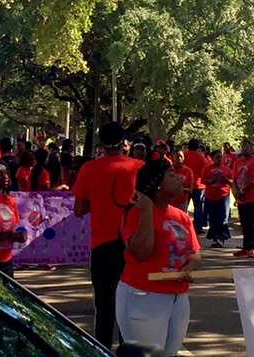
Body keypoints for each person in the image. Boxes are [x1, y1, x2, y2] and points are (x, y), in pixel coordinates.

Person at [117, 154, 200, 357]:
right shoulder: (136, 213)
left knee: (170, 354)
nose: (181, 178)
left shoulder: (181, 216)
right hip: (144, 296)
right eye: (172, 175)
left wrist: (189, 267)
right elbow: (142, 252)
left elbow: (195, 253)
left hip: (178, 298)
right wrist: (146, 210)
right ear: (157, 185)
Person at [73, 122, 144, 349]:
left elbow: (79, 209)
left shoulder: (89, 169)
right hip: (133, 244)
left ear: (100, 143)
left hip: (102, 244)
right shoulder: (140, 167)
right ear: (124, 142)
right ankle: (128, 350)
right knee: (131, 305)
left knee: (104, 306)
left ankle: (102, 350)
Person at [233, 143, 254, 258]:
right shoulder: (238, 162)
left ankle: (251, 247)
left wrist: (244, 190)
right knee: (244, 224)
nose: (246, 149)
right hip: (240, 198)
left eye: (249, 147)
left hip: (251, 197)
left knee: (251, 223)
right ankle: (245, 247)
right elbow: (234, 178)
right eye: (244, 147)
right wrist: (237, 193)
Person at [200, 150, 232, 248]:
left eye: (220, 157)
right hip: (211, 196)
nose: (219, 159)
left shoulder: (226, 169)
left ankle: (220, 238)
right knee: (213, 218)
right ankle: (215, 238)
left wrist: (225, 179)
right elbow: (203, 181)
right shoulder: (207, 168)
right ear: (213, 158)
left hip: (223, 196)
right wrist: (211, 180)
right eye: (217, 157)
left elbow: (232, 181)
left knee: (222, 218)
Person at [182, 140, 209, 235]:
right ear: (197, 148)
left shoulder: (183, 155)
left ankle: (183, 224)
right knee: (198, 207)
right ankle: (198, 227)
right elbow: (206, 170)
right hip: (198, 185)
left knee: (184, 206)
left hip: (186, 184)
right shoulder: (201, 158)